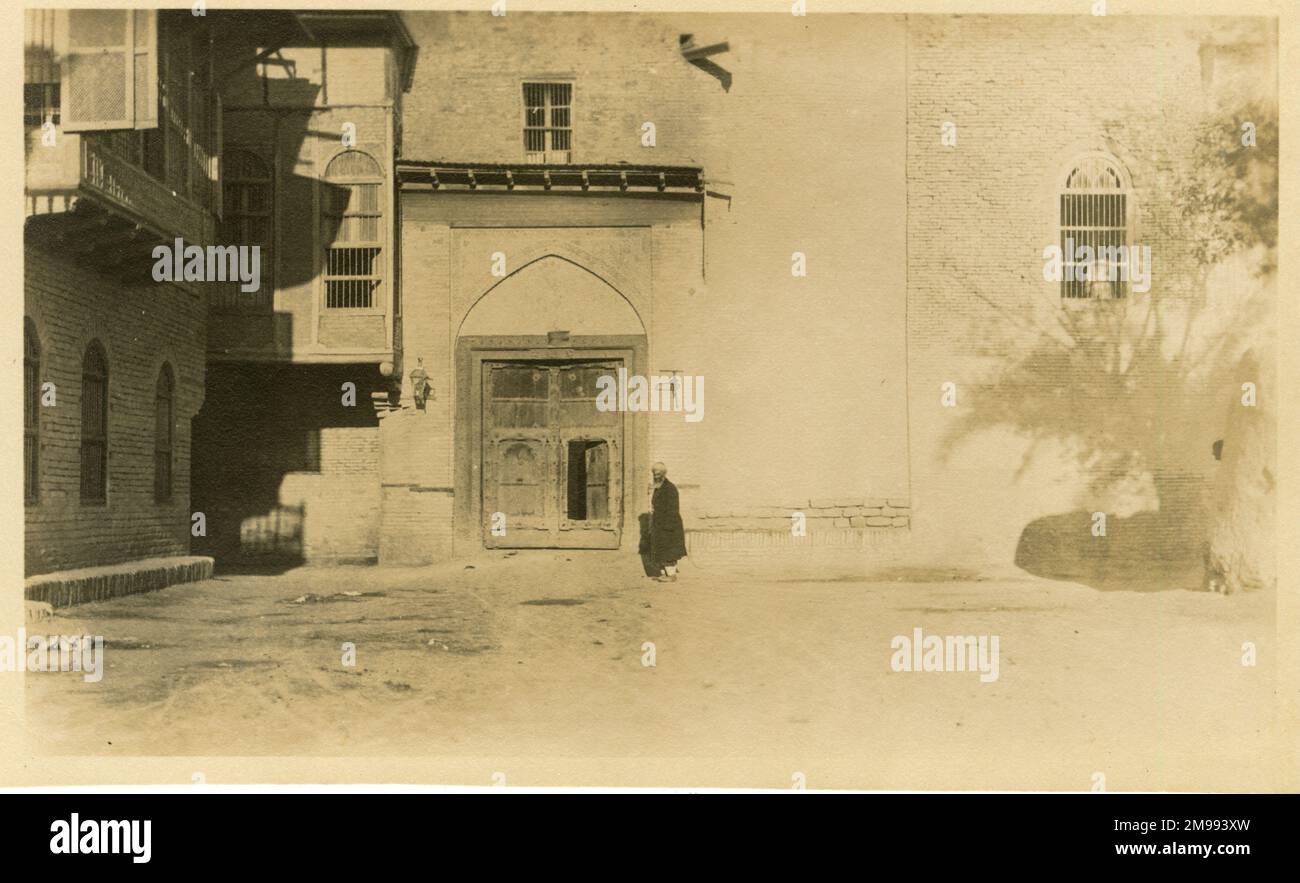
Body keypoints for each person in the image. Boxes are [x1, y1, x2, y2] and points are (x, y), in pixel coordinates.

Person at [647, 462, 687, 582]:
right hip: (660, 524)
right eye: (654, 473)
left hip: (669, 525)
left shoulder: (670, 488)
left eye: (658, 473)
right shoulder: (658, 488)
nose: (655, 476)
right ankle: (665, 573)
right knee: (662, 549)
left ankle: (671, 576)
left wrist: (667, 527)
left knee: (669, 549)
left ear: (664, 474)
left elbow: (673, 509)